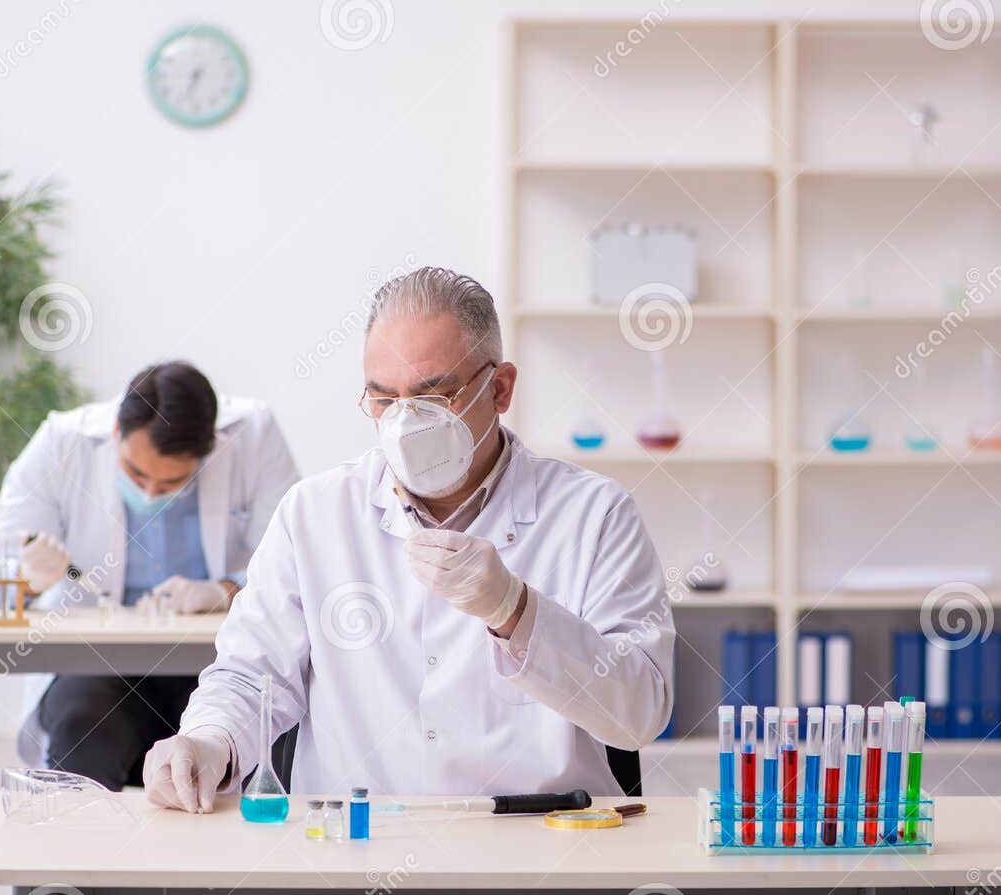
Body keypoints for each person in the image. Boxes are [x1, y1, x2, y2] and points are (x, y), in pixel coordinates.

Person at [143, 267, 674, 812]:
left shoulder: (595, 514)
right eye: (382, 399)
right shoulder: (315, 514)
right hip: (354, 841)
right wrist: (211, 740)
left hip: (544, 837)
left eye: (434, 396)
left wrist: (517, 612)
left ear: (500, 388)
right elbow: (253, 673)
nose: (404, 422)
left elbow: (639, 716)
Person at [0, 361, 298, 788]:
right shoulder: (63, 441)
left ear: (207, 454)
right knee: (85, 725)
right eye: (136, 473)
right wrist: (26, 579)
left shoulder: (254, 435)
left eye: (171, 484)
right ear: (116, 432)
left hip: (215, 658)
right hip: (97, 661)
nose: (150, 492)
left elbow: (290, 568)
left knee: (243, 734)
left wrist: (224, 590)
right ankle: (81, 848)